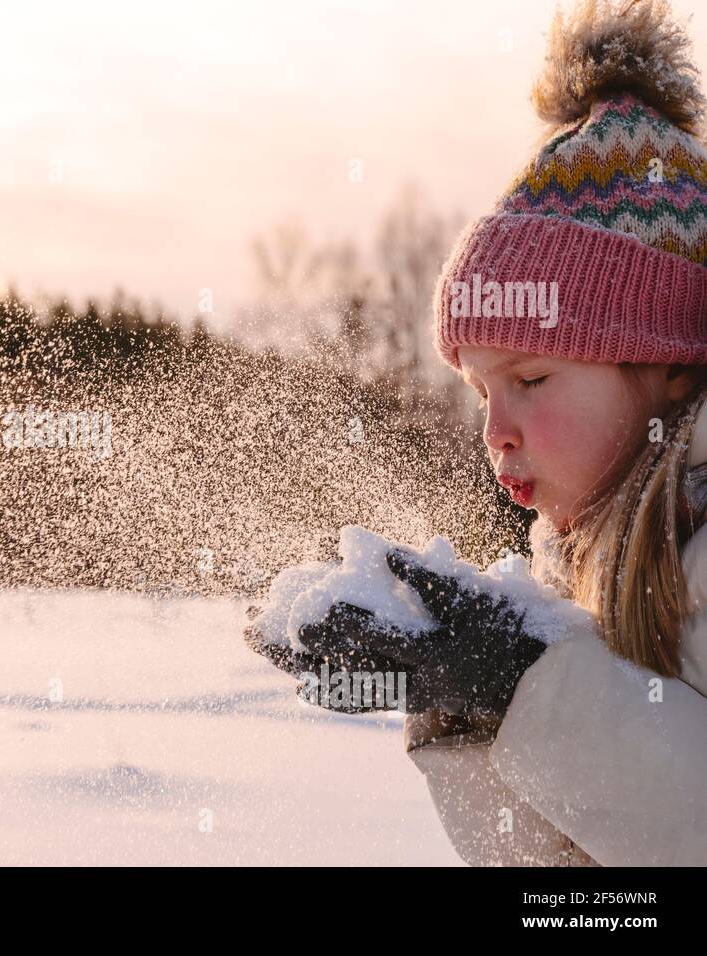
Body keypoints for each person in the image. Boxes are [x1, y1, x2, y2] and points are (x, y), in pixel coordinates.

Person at [251, 0, 707, 865]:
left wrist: (527, 680)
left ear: (671, 365)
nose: (496, 428)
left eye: (532, 379)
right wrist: (460, 700)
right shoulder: (584, 561)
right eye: (480, 391)